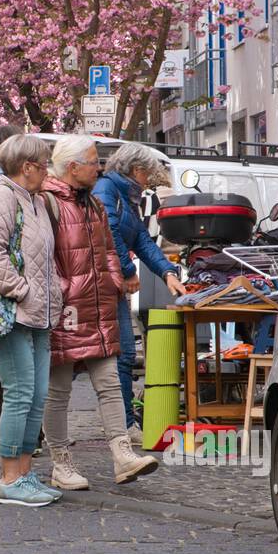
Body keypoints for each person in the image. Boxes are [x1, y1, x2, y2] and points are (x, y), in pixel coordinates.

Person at [41, 135, 159, 490]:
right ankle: (60, 464)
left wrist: (111, 282)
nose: (100, 168)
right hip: (65, 312)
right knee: (58, 389)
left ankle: (123, 456)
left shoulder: (92, 203)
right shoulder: (47, 204)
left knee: (109, 383)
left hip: (98, 307)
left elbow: (109, 248)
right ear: (73, 167)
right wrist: (61, 292)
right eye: (93, 162)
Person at [0, 134, 61, 506]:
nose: (49, 171)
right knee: (20, 392)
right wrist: (19, 289)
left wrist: (50, 294)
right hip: (11, 313)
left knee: (38, 395)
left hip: (40, 314)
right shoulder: (3, 196)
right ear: (27, 167)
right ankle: (10, 478)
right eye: (45, 164)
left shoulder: (39, 201)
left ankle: (25, 473)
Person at [93, 143, 186, 444]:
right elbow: (108, 233)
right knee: (111, 356)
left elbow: (142, 240)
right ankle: (121, 425)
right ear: (137, 171)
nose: (149, 181)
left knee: (124, 355)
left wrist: (167, 272)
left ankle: (123, 424)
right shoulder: (108, 190)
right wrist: (128, 271)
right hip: (101, 285)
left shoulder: (125, 195)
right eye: (148, 174)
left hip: (110, 285)